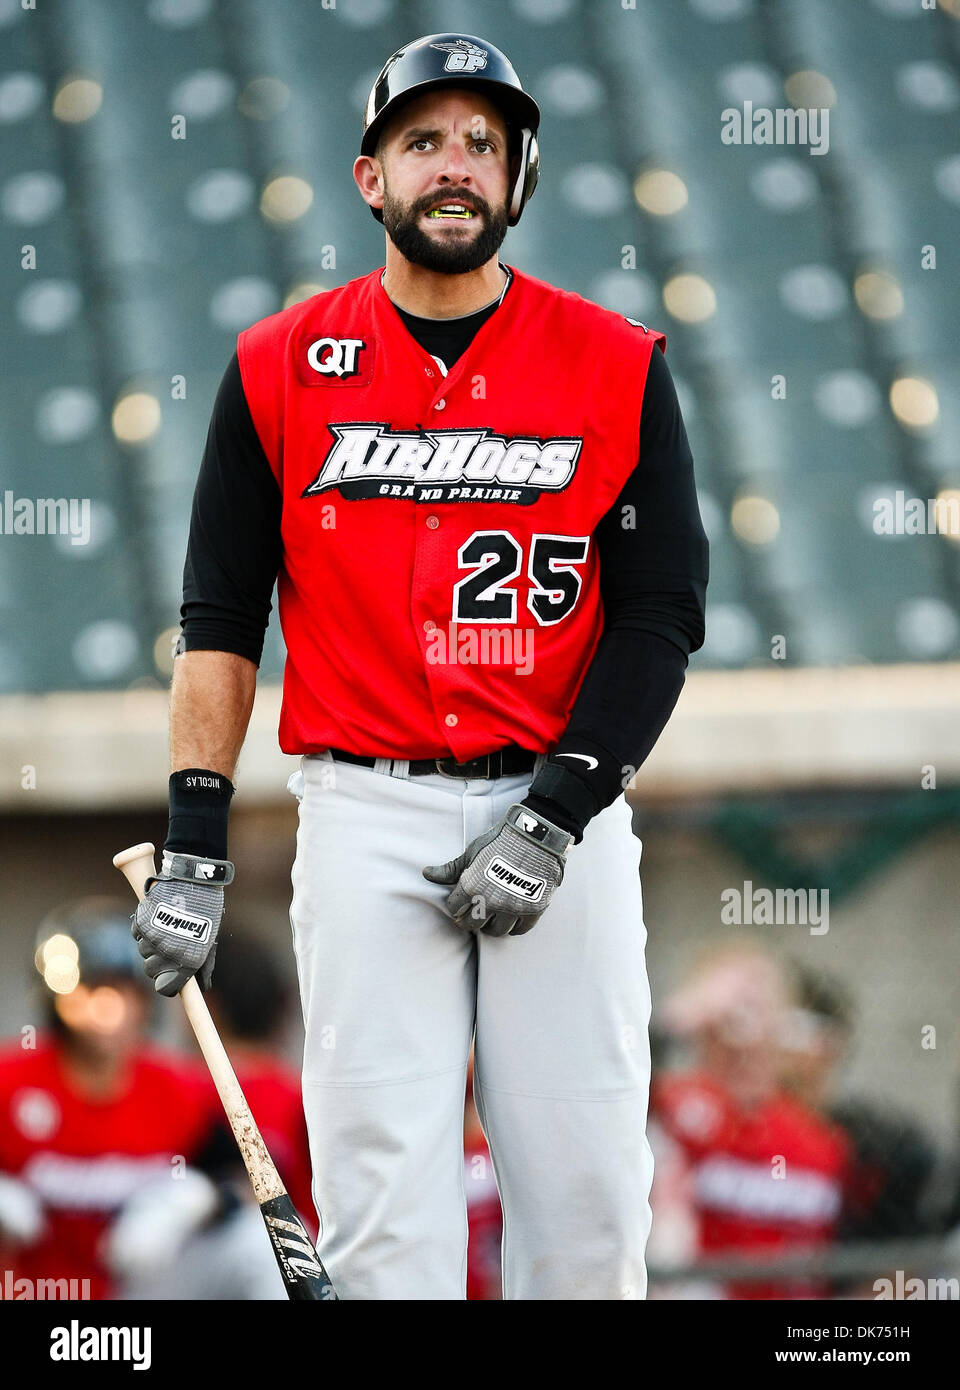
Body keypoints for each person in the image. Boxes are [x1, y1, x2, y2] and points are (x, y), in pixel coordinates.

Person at [132, 32, 708, 1300]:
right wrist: (193, 840)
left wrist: (555, 816)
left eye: (482, 145)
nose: (456, 166)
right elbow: (219, 617)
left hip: (561, 809)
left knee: (593, 1202)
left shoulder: (617, 364)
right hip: (365, 809)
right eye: (424, 142)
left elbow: (661, 615)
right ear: (369, 177)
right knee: (384, 1215)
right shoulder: (276, 364)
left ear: (518, 180)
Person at [0, 901, 217, 1299]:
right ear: (56, 995)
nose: (106, 1007)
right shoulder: (10, 1079)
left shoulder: (179, 1089)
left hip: (140, 1295)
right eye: (89, 988)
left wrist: (195, 1199)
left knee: (254, 1243)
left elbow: (250, 1176)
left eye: (122, 990)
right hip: (28, 1288)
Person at [650, 942, 850, 1300]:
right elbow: (603, 1083)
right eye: (726, 1012)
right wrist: (680, 1016)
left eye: (758, 1008)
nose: (742, 1034)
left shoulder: (818, 1138)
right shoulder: (670, 1103)